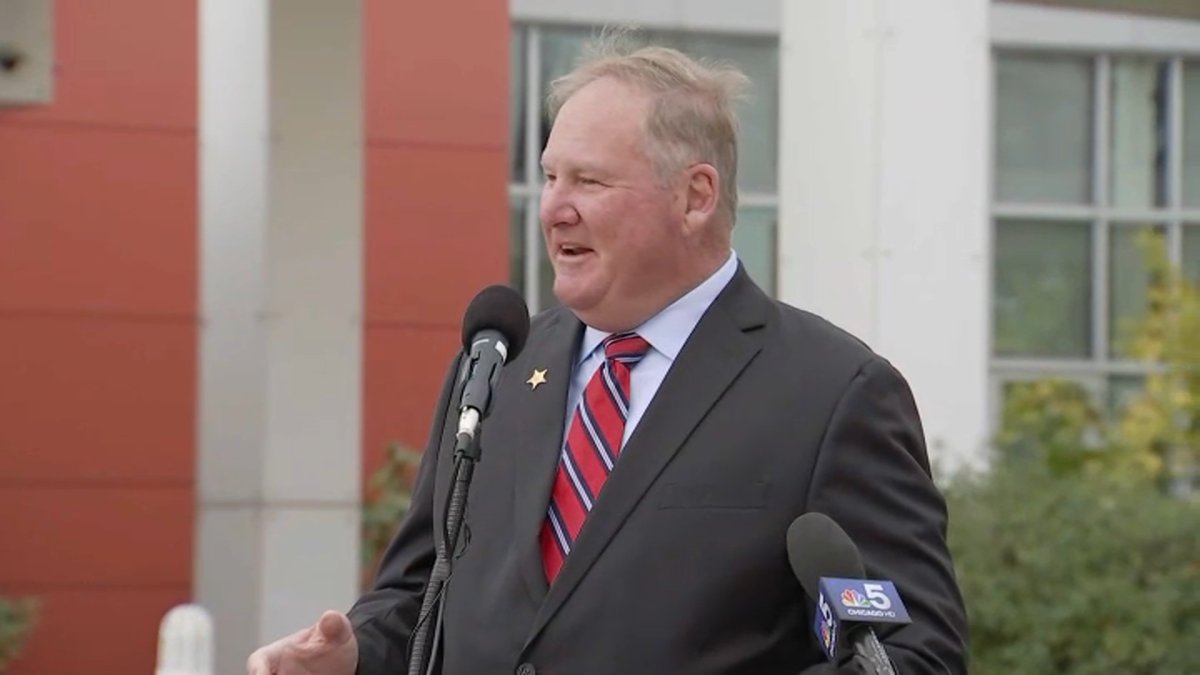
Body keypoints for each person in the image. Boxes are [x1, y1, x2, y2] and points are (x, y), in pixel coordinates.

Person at [248, 35, 968, 675]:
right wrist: (353, 654)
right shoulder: (496, 367)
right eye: (549, 177)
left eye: (588, 181)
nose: (553, 207)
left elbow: (910, 655)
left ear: (695, 197)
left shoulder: (832, 393)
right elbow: (418, 598)